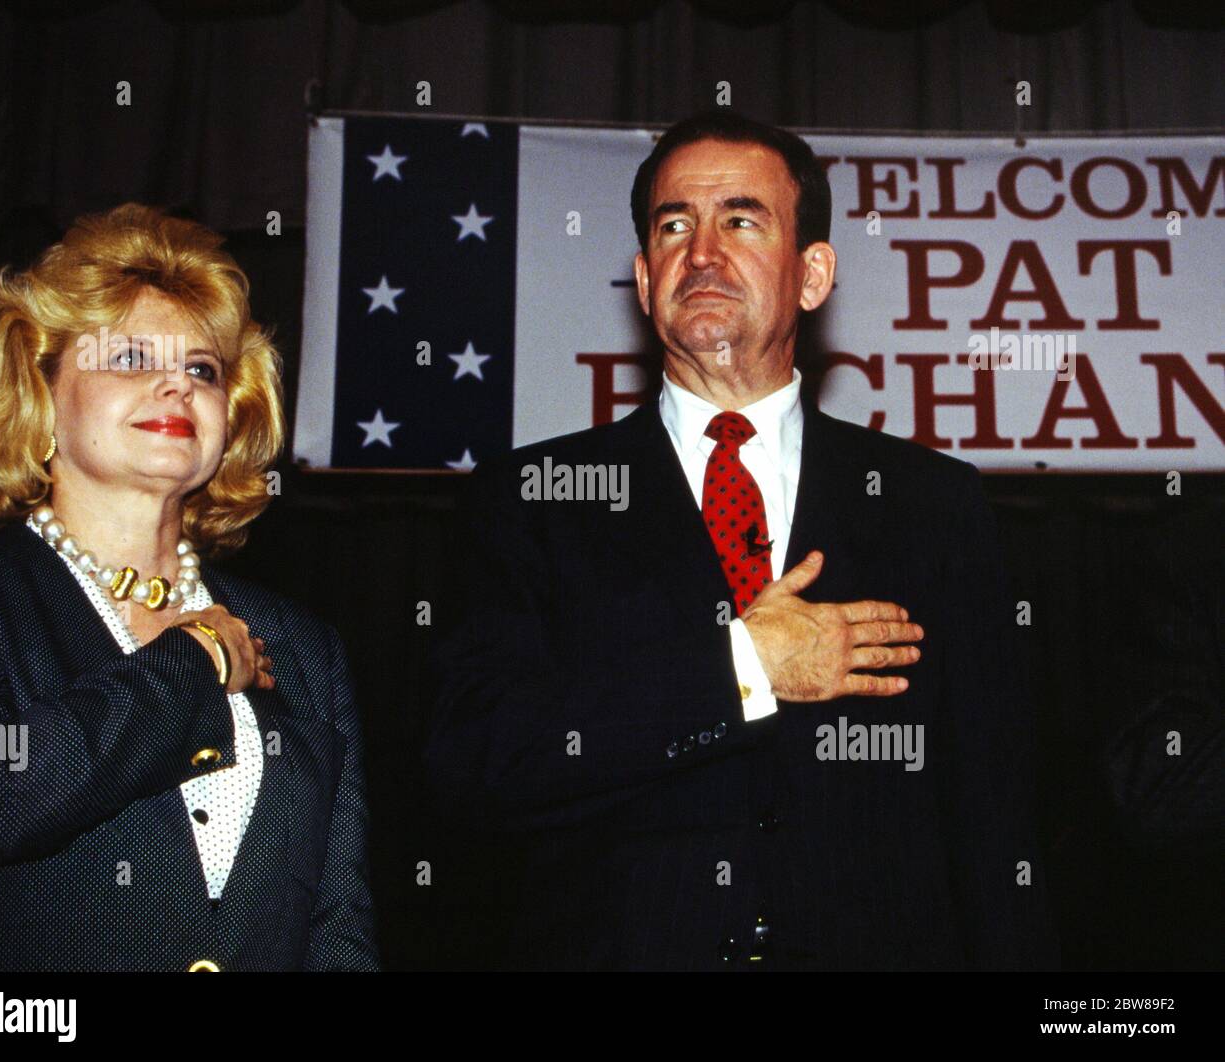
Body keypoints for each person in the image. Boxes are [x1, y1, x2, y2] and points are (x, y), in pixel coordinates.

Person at [428, 112, 1057, 970]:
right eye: (674, 225)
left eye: (742, 220)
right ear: (645, 281)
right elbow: (475, 765)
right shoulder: (528, 501)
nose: (703, 252)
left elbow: (993, 818)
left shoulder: (933, 504)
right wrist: (741, 667)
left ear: (812, 274)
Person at [0, 203, 379, 972]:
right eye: (131, 357)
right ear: (41, 391)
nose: (176, 386)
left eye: (201, 370)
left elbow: (339, 926)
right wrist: (194, 662)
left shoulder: (303, 647)